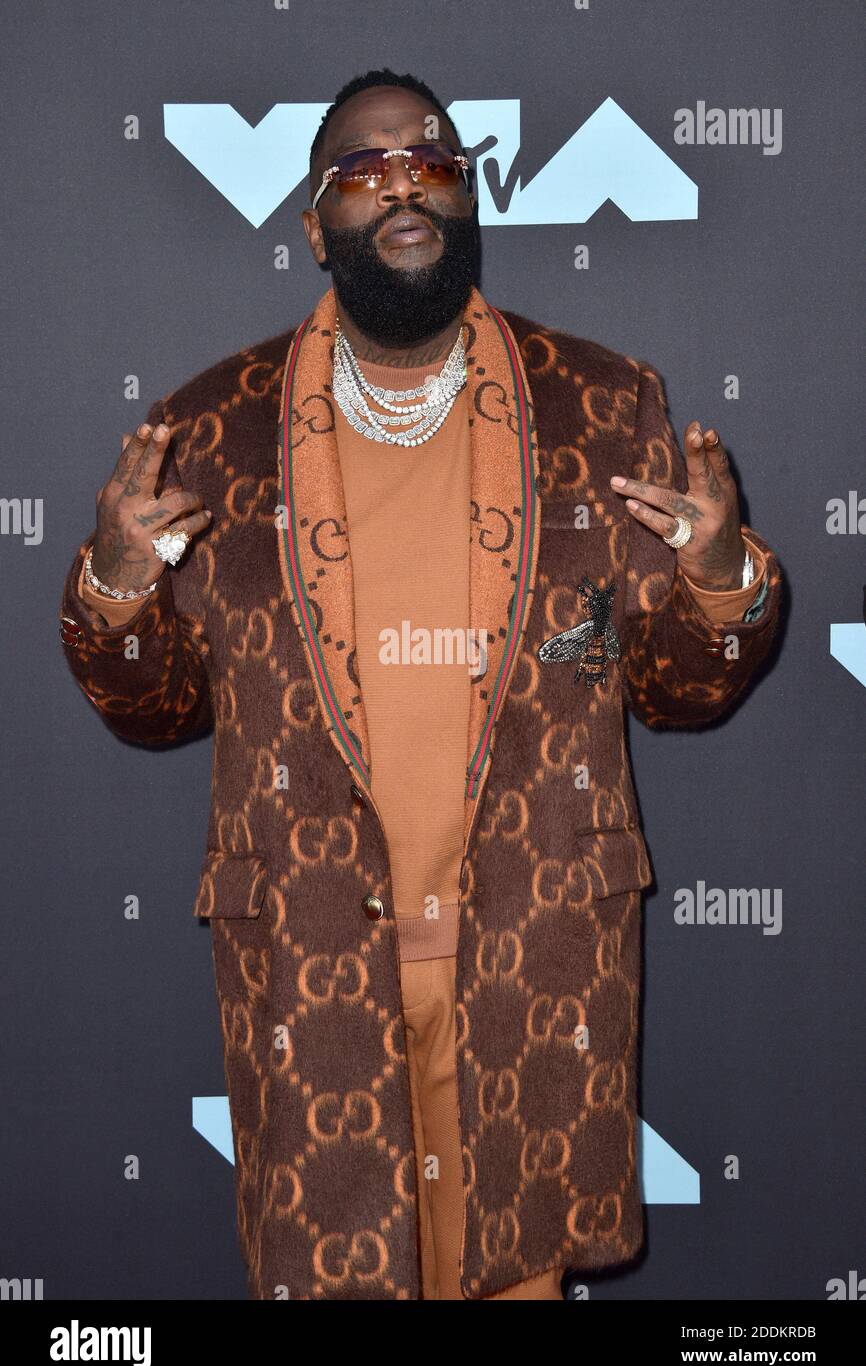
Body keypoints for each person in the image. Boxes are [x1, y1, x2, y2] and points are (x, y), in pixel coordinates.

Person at [59, 68, 780, 1301]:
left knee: (517, 1284)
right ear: (312, 224)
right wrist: (117, 587)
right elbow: (159, 707)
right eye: (361, 166)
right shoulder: (208, 430)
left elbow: (670, 687)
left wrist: (720, 575)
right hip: (312, 959)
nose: (401, 179)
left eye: (429, 158)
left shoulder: (604, 407)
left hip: (533, 953)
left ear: (469, 191)